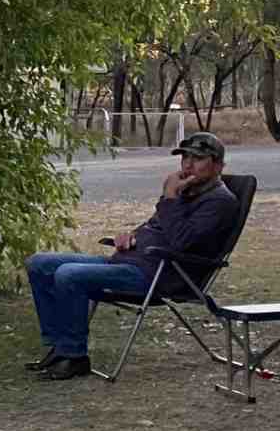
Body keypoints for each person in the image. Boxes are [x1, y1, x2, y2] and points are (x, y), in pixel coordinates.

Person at [24, 131, 240, 380]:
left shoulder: (220, 202)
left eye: (198, 158)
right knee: (39, 264)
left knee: (68, 274)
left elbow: (182, 241)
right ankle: (59, 346)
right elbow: (155, 226)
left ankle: (74, 357)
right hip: (128, 261)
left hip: (158, 275)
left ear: (218, 165)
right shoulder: (186, 191)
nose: (188, 164)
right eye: (185, 157)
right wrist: (130, 235)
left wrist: (169, 197)